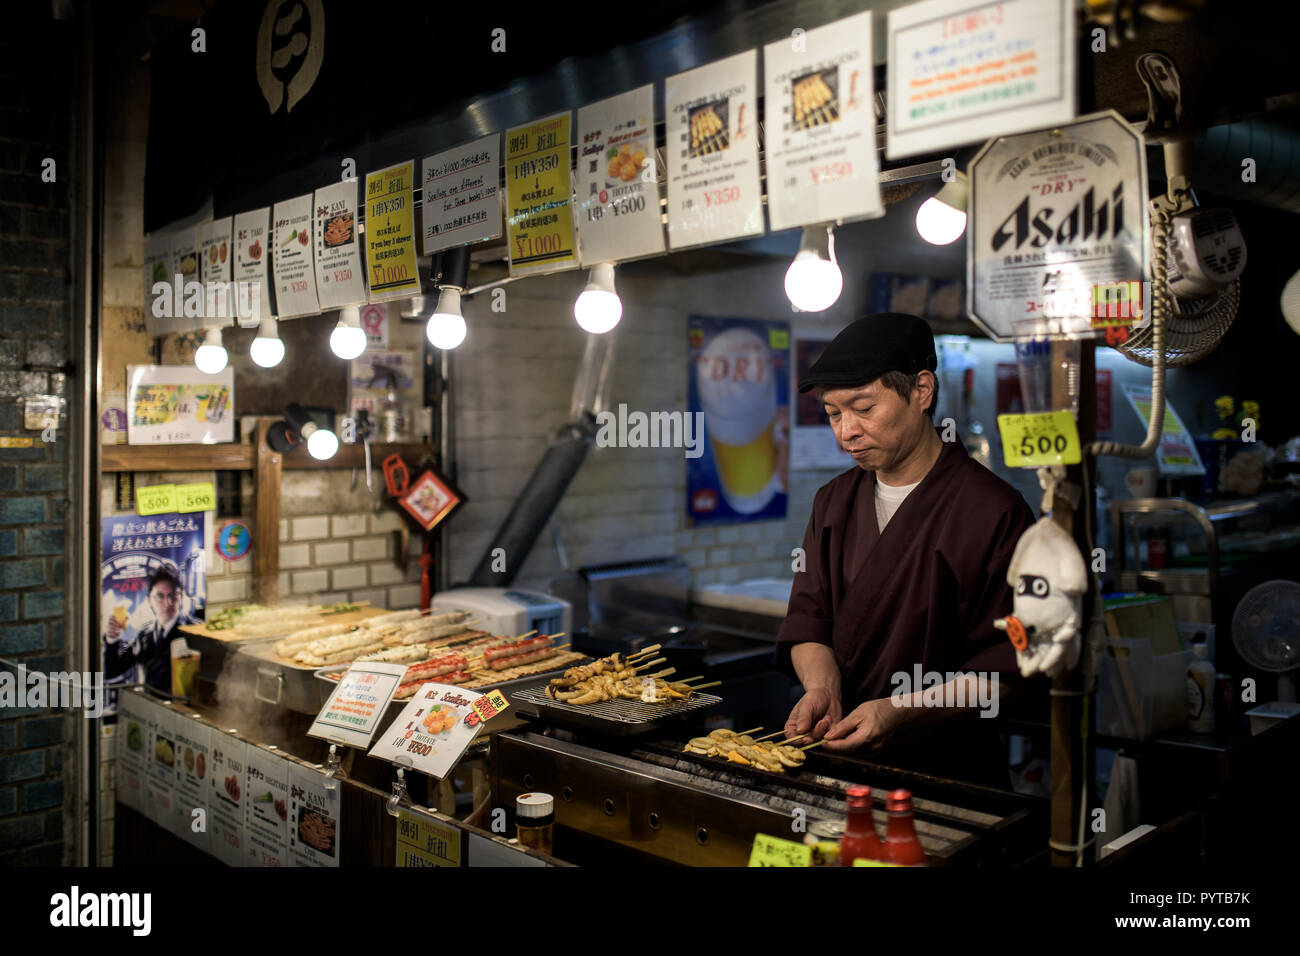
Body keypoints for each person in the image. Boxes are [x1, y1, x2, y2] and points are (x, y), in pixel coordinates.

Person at [777, 313, 1034, 787]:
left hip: (951, 776)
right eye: (834, 413)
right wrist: (822, 688)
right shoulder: (833, 501)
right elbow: (808, 621)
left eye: (863, 408)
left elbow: (1010, 665)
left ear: (921, 391)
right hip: (842, 764)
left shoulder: (994, 511)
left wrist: (899, 711)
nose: (845, 431)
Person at [104, 562, 197, 695]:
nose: (168, 603)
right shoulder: (144, 636)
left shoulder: (194, 631)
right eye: (160, 596)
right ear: (149, 599)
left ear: (181, 596)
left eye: (173, 595)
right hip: (151, 707)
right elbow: (113, 671)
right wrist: (112, 640)